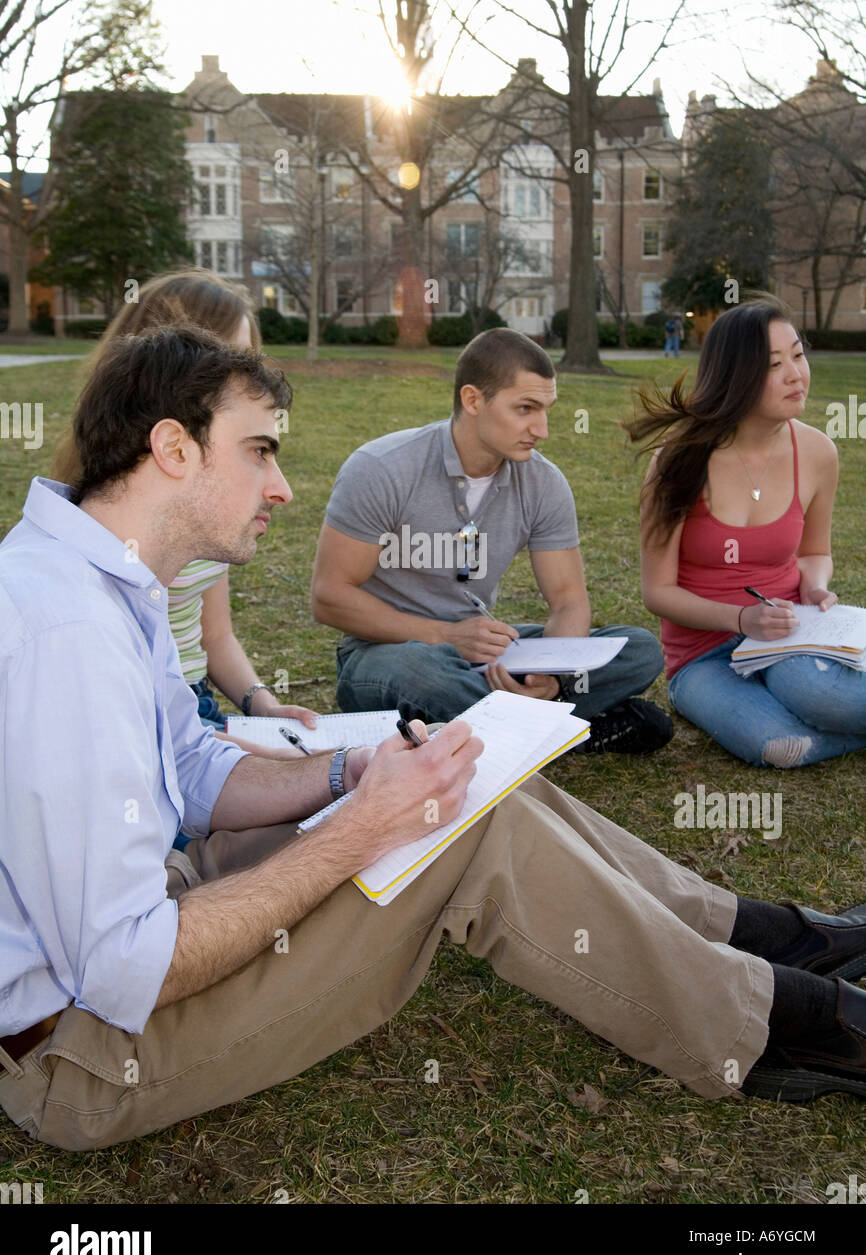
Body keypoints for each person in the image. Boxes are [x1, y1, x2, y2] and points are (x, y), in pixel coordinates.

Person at [6, 325, 866, 1152]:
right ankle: (784, 1021)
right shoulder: (65, 632)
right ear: (173, 448)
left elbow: (190, 768)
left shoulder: (108, 579)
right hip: (88, 1055)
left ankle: (753, 933)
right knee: (453, 834)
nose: (281, 488)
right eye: (260, 450)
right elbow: (127, 969)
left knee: (464, 780)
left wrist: (349, 772)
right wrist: (365, 826)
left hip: (157, 905)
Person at [311, 328, 673, 754]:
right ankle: (569, 733)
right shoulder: (381, 468)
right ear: (473, 400)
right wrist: (445, 636)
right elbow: (329, 596)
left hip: (484, 652)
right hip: (386, 654)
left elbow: (568, 600)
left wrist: (552, 674)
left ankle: (509, 723)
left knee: (639, 649)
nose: (542, 429)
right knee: (423, 675)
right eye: (525, 409)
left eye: (546, 410)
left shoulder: (543, 482)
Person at [52, 268, 317, 755]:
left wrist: (261, 705)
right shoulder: (106, 526)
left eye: (250, 358)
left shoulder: (210, 508)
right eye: (226, 356)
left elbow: (215, 635)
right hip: (144, 717)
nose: (247, 377)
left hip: (193, 705)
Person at [630, 296, 866, 767]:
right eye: (773, 364)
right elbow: (658, 592)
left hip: (786, 633)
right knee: (778, 746)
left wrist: (815, 585)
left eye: (798, 355)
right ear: (735, 375)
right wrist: (740, 620)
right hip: (702, 656)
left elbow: (815, 551)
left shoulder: (817, 451)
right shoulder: (677, 463)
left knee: (820, 694)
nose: (796, 374)